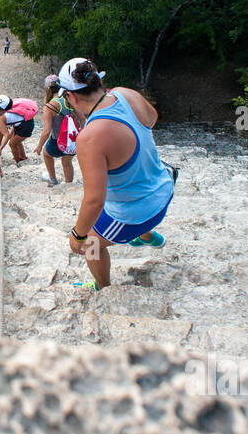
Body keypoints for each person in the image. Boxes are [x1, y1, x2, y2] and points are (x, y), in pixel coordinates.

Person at [58, 58, 176, 291]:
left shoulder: (90, 137)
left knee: (91, 242)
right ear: (99, 80)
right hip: (164, 187)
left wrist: (77, 235)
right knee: (128, 182)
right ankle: (146, 236)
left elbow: (94, 200)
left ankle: (103, 287)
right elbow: (152, 118)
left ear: (71, 97)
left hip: (142, 212)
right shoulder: (125, 94)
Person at [34, 74, 77, 187]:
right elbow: (82, 118)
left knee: (46, 154)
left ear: (48, 88)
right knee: (67, 162)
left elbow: (47, 131)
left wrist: (39, 146)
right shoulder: (70, 99)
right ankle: (68, 184)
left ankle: (52, 179)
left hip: (58, 141)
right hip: (73, 139)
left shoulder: (50, 106)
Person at [0, 94, 39, 164]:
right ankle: (23, 157)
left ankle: (18, 161)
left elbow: (6, 135)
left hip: (26, 125)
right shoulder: (3, 113)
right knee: (15, 140)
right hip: (22, 122)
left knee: (12, 144)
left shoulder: (0, 118)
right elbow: (1, 129)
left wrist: (0, 148)